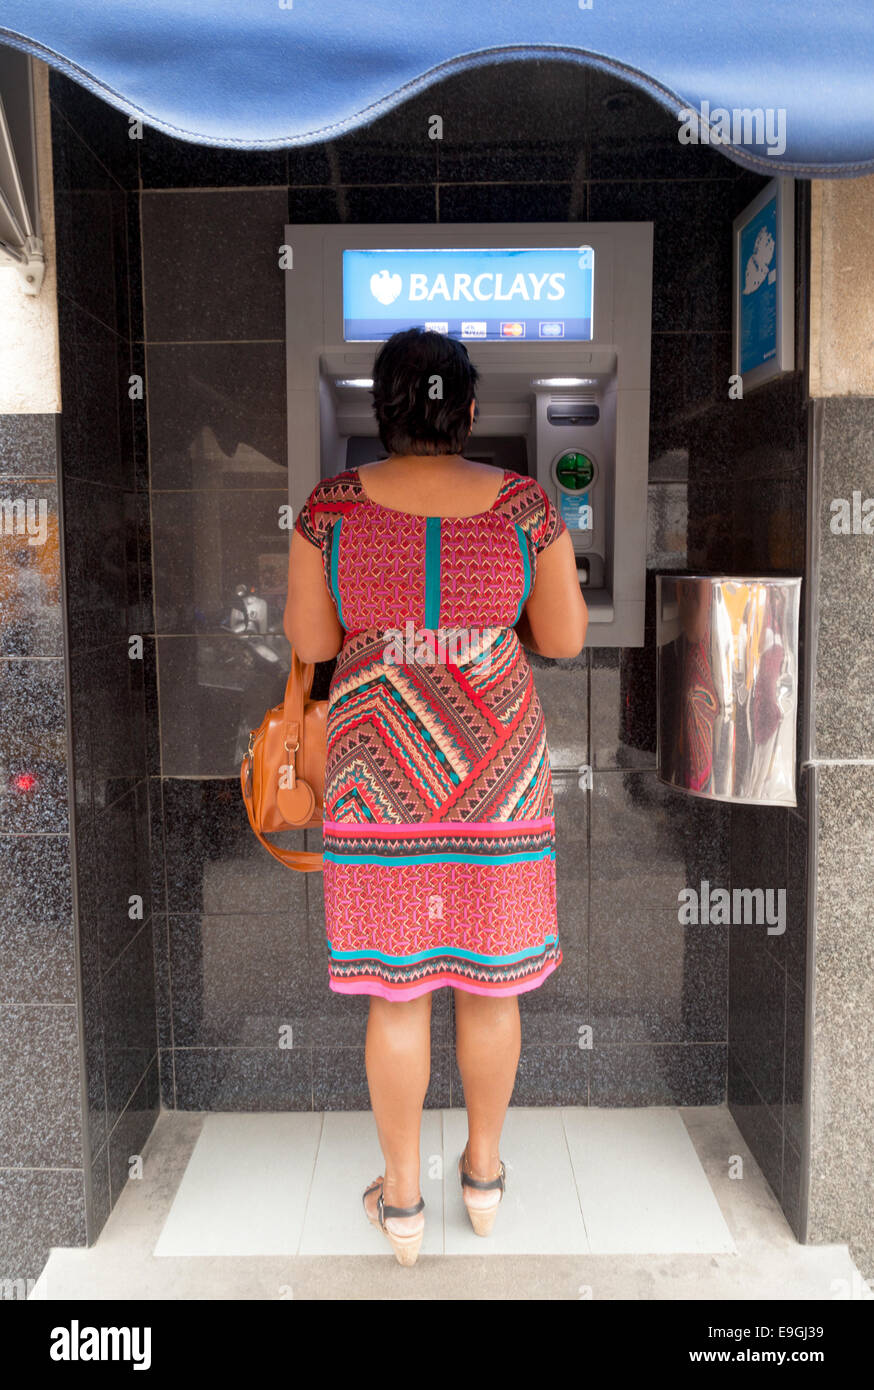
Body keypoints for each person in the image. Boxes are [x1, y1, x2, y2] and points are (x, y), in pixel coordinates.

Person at [284, 327, 588, 1264]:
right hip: (496, 777)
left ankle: (405, 1204)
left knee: (397, 990)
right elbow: (567, 638)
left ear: (379, 410)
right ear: (466, 410)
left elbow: (309, 636)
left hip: (381, 778)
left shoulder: (329, 508)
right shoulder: (525, 507)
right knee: (492, 988)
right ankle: (485, 1183)